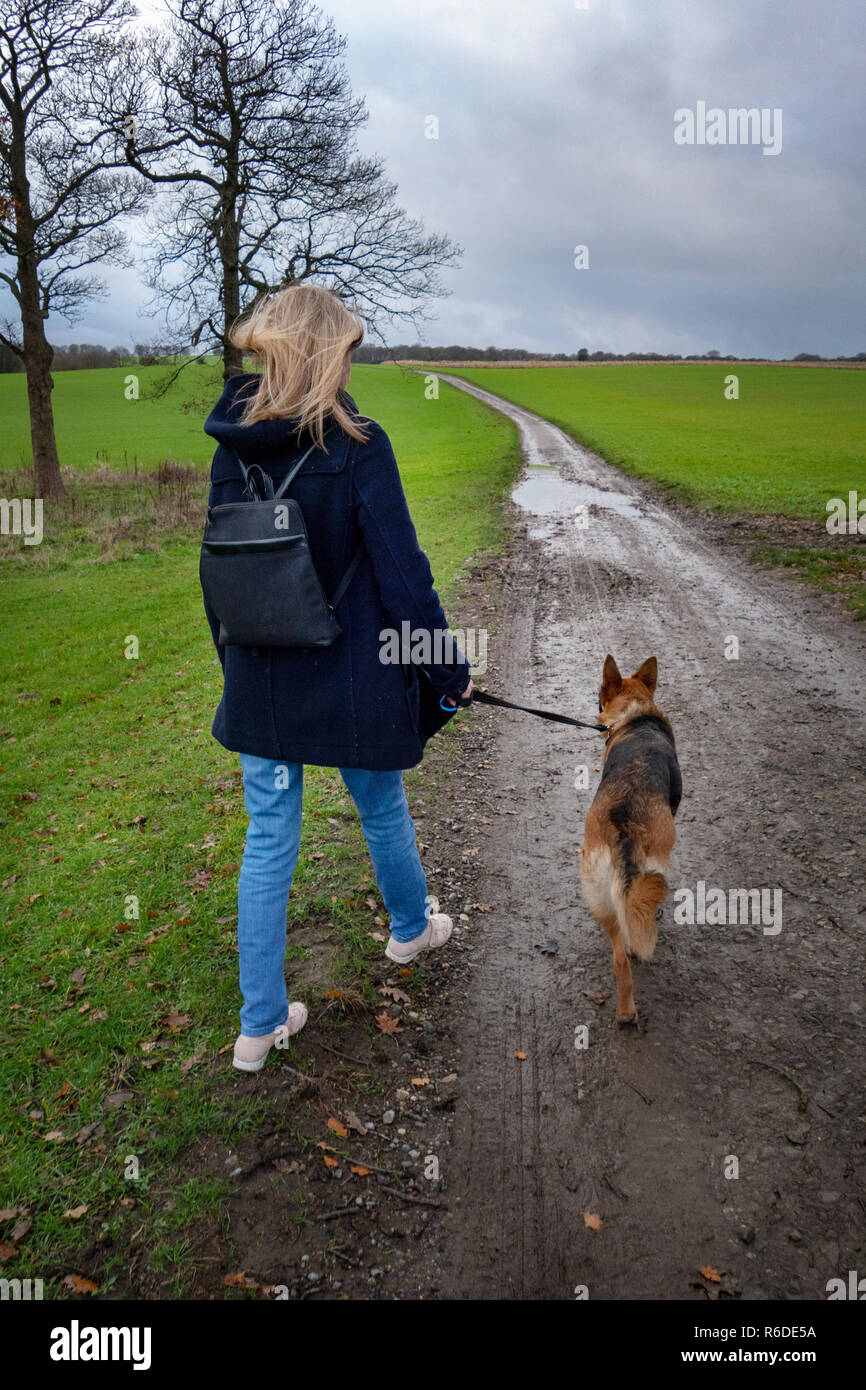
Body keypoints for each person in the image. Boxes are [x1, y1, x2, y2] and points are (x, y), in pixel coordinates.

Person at [201, 284, 473, 1072]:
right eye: (347, 347)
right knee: (381, 806)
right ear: (326, 352)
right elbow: (404, 578)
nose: (352, 359)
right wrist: (448, 673)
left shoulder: (231, 447)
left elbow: (215, 576)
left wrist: (236, 668)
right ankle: (411, 928)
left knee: (268, 839)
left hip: (260, 677)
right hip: (352, 679)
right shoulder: (360, 444)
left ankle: (259, 1025)